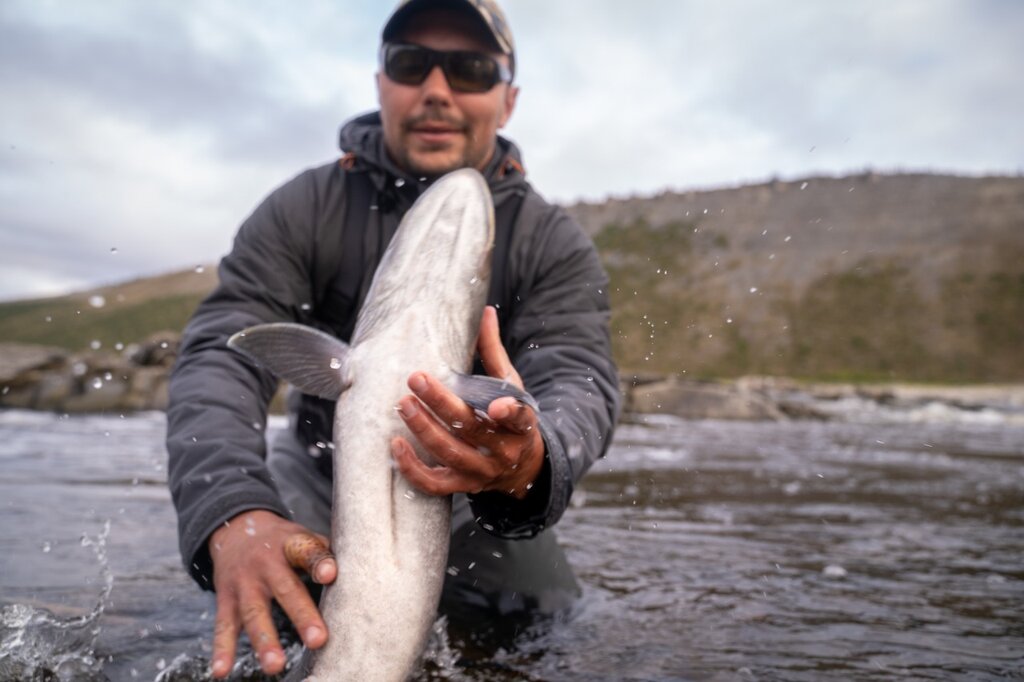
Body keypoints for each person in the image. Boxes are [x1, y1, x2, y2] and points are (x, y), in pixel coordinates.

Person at [165, 0, 620, 677]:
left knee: (536, 622)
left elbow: (579, 378)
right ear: (381, 81)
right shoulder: (304, 208)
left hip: (479, 501)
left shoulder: (551, 244)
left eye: (469, 69)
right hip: (317, 476)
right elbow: (220, 355)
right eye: (411, 63)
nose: (437, 90)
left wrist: (531, 458)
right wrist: (232, 511)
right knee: (267, 618)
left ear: (509, 98)